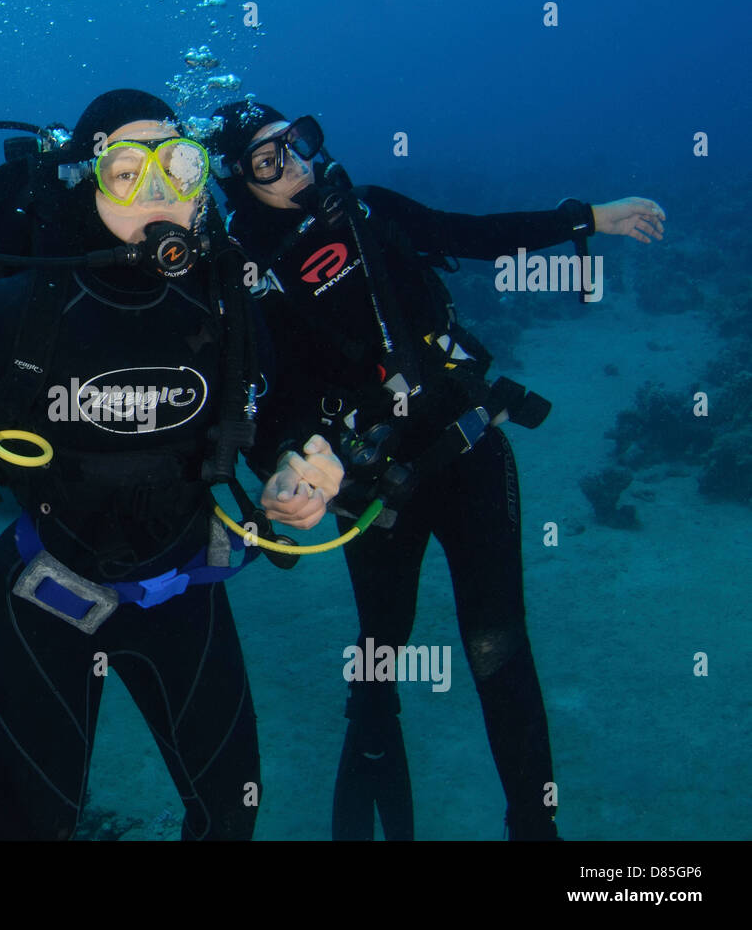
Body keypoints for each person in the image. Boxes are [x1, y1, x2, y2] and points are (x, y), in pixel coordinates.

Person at [0, 89, 344, 839]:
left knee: (230, 815)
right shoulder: (19, 308)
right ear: (87, 180)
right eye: (127, 170)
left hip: (185, 591)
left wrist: (295, 465)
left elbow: (277, 405)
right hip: (41, 597)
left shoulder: (227, 304)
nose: (157, 189)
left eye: (180, 166)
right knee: (34, 828)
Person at [209, 100, 666, 840]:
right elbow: (259, 402)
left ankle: (534, 825)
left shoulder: (369, 209)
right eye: (266, 160)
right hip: (373, 485)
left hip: (469, 447)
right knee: (383, 635)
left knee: (498, 642)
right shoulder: (246, 279)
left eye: (296, 143)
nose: (292, 163)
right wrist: (289, 467)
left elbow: (468, 234)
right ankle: (374, 717)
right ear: (236, 177)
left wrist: (586, 219)